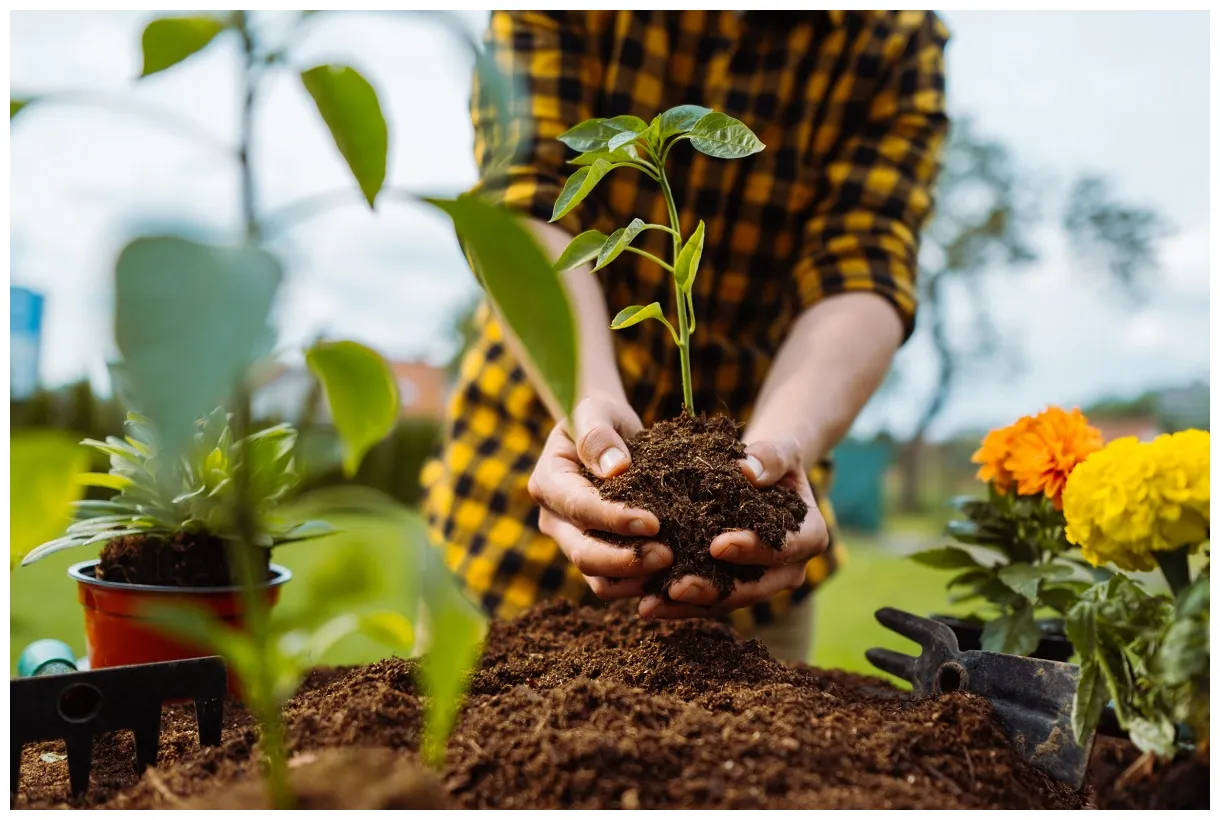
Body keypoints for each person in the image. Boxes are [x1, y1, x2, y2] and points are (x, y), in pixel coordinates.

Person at [422, 10, 949, 663]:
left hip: (746, 580)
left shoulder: (892, 35)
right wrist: (586, 402)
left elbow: (864, 262)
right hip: (511, 522)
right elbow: (524, 193)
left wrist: (774, 454)